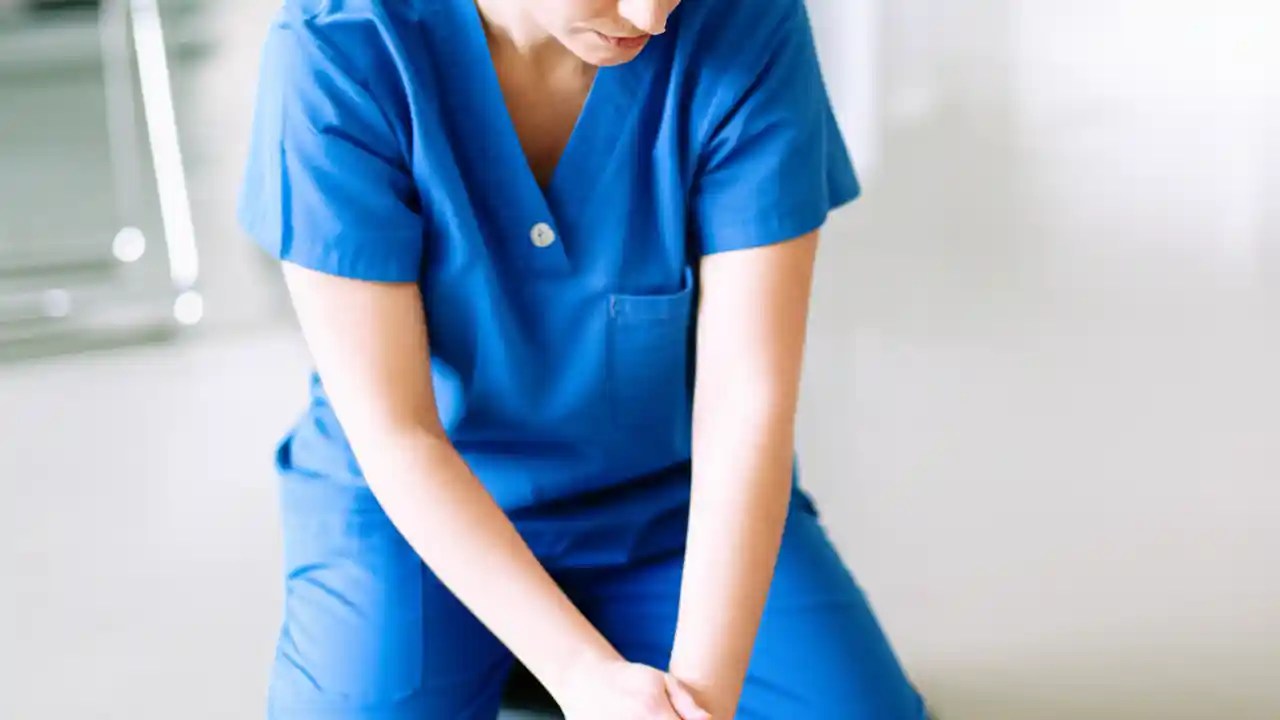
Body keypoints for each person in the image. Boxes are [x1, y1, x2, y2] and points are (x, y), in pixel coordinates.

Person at [239, 0, 927, 717]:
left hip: (668, 503)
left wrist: (699, 701)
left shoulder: (745, 22)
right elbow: (395, 430)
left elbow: (744, 403)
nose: (652, 14)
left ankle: (534, 654)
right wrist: (577, 674)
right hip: (410, 515)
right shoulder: (340, 50)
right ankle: (512, 652)